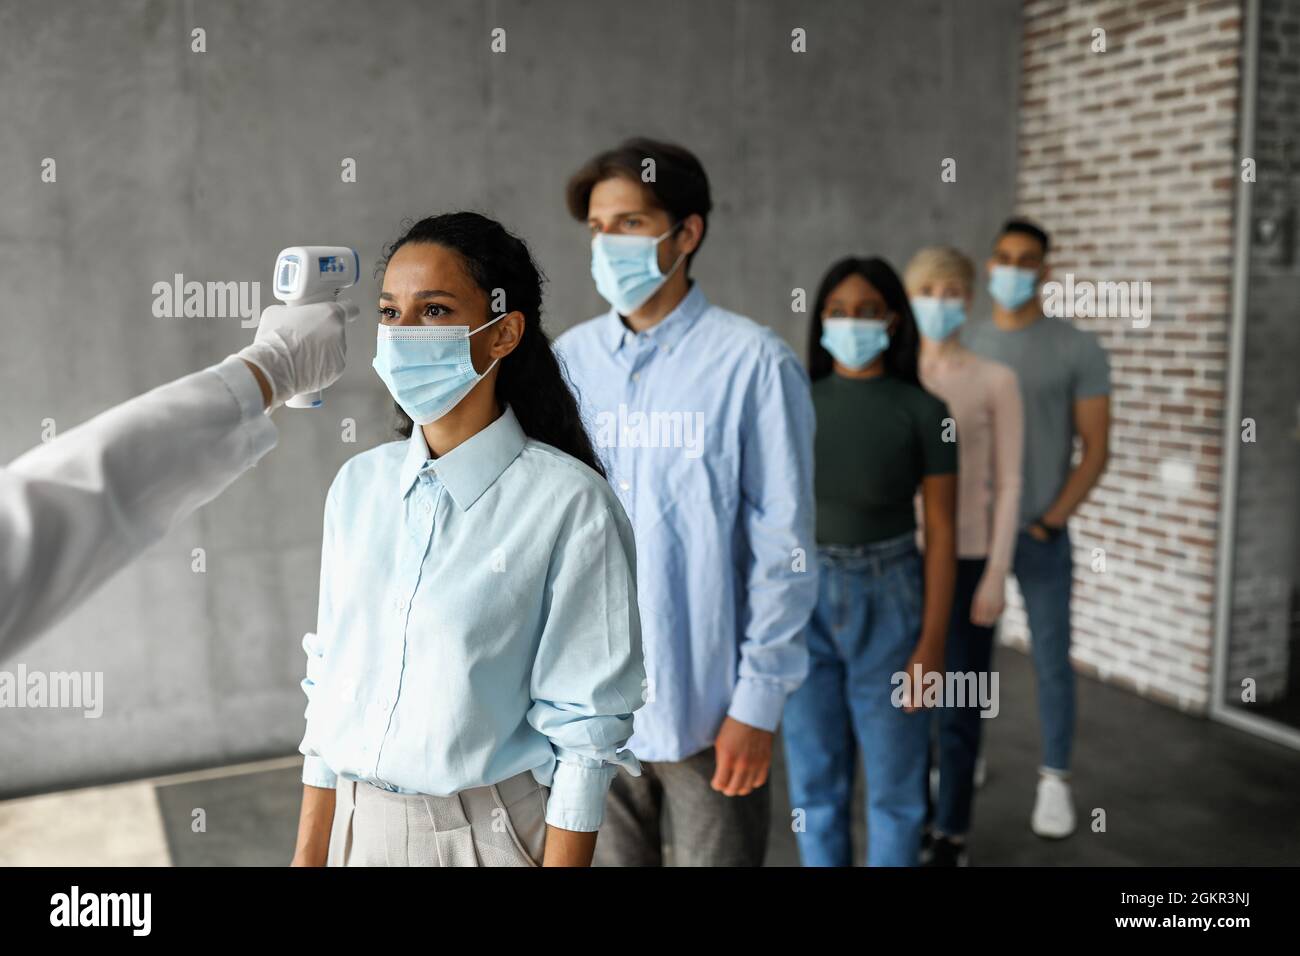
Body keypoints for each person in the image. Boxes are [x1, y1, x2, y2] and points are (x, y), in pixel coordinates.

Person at [291, 212, 645, 868]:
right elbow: (328, 681)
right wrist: (310, 853)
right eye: (391, 312)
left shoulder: (569, 504)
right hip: (352, 826)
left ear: (504, 332)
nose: (401, 334)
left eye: (434, 310)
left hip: (482, 837)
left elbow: (588, 734)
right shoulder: (357, 488)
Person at [555, 137, 816, 867]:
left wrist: (758, 704)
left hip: (708, 709)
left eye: (630, 224)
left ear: (687, 233)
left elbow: (785, 542)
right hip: (590, 715)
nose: (608, 244)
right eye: (598, 228)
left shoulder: (754, 363)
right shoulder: (568, 362)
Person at [0, 300, 350, 660]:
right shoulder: (356, 485)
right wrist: (265, 372)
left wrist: (264, 374)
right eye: (388, 312)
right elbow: (48, 519)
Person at [782, 255, 958, 867]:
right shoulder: (793, 401)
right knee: (814, 788)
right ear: (819, 319)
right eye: (837, 312)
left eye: (867, 312)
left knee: (896, 792)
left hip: (892, 596)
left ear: (892, 321)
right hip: (802, 597)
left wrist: (931, 647)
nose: (851, 323)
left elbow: (941, 528)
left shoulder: (927, 412)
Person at [963, 218, 1110, 839]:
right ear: (990, 263)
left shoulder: (1075, 348)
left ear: (1044, 272)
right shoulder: (966, 341)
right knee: (970, 657)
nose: (1013, 269)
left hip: (1040, 534)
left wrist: (1052, 520)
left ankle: (1054, 780)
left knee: (1050, 657)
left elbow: (1096, 448)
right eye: (1003, 257)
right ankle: (964, 754)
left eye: (1026, 260)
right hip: (974, 533)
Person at [904, 246, 1024, 866]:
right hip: (902, 562)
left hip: (971, 558)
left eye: (953, 294)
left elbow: (1009, 484)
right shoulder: (896, 378)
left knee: (958, 704)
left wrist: (997, 573)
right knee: (907, 703)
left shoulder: (995, 380)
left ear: (969, 301)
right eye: (928, 292)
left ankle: (951, 831)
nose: (941, 305)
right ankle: (912, 819)